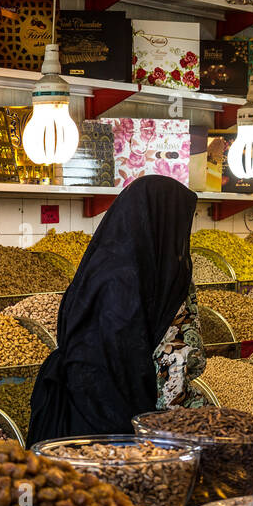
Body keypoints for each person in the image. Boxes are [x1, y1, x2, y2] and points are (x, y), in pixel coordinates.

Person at [28, 175, 203, 444]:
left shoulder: (108, 266)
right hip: (116, 427)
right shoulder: (143, 281)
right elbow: (164, 365)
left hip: (86, 416)